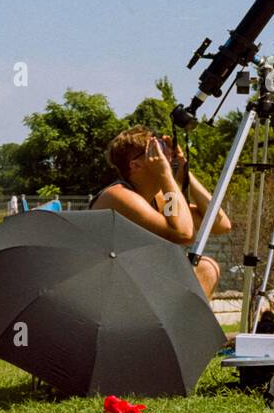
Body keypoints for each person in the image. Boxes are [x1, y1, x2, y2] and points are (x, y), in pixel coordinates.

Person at [89, 126, 232, 300]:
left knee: (206, 268)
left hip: (135, 282)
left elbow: (220, 224)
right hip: (105, 290)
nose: (166, 156)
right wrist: (165, 174)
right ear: (135, 165)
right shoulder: (118, 196)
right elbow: (184, 234)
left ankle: (188, 326)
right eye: (155, 150)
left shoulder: (159, 199)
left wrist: (184, 174)